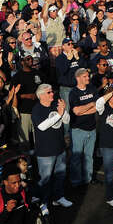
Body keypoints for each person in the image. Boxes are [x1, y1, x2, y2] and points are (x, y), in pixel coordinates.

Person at [30, 83, 71, 212]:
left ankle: (58, 197)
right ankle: (44, 202)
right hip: (45, 152)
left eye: (52, 91)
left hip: (60, 148)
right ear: (41, 95)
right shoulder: (37, 109)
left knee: (60, 175)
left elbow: (67, 121)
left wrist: (63, 111)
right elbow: (41, 127)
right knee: (46, 179)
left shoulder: (55, 105)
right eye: (49, 92)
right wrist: (59, 115)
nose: (52, 94)